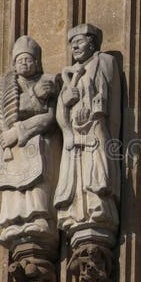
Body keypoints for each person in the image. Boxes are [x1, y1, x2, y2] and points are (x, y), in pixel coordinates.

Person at [54, 24, 121, 263]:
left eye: (80, 42)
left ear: (92, 44)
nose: (75, 46)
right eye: (72, 44)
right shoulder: (70, 74)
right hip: (75, 134)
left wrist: (95, 110)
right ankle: (77, 215)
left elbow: (107, 92)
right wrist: (65, 101)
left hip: (95, 126)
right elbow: (61, 113)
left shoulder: (102, 62)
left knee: (96, 169)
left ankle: (97, 209)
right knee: (77, 172)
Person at [0, 35, 60, 253]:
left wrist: (19, 130)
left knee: (35, 183)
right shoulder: (7, 87)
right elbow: (1, 112)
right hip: (11, 148)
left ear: (38, 63)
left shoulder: (46, 83)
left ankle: (39, 219)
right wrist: (10, 132)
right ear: (13, 64)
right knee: (13, 187)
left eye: (29, 59)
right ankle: (13, 223)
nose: (24, 63)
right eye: (20, 59)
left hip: (36, 143)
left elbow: (49, 117)